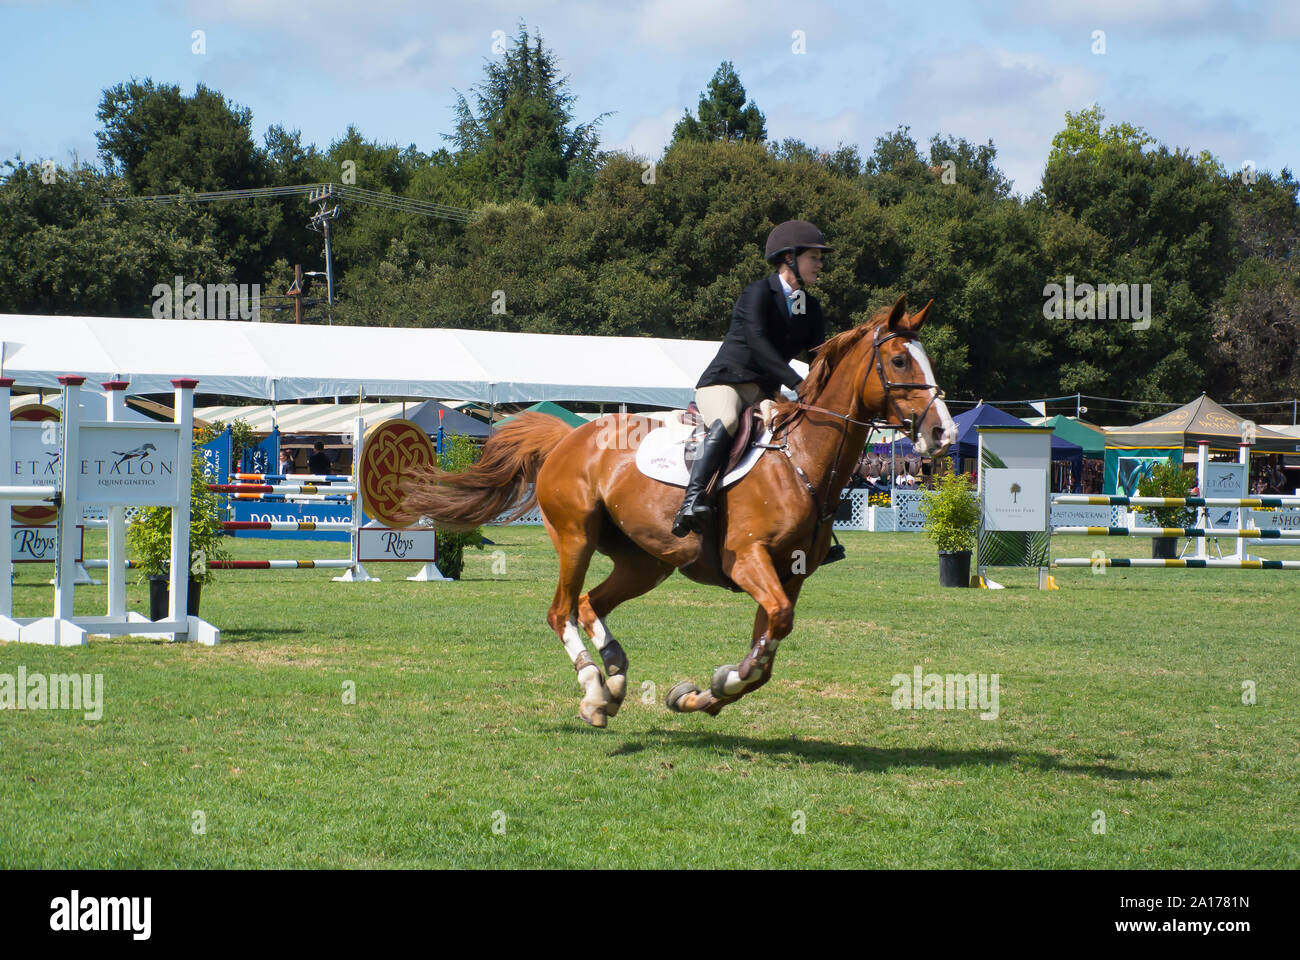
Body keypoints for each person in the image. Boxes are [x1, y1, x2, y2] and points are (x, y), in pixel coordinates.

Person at [672, 219, 830, 538]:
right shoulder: (757, 293)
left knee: (796, 438)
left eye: (820, 258)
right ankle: (691, 501)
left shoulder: (810, 308)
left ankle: (812, 527)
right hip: (724, 383)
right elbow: (758, 343)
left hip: (763, 393)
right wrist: (796, 383)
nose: (820, 264)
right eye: (814, 257)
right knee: (728, 421)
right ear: (789, 259)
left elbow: (819, 358)